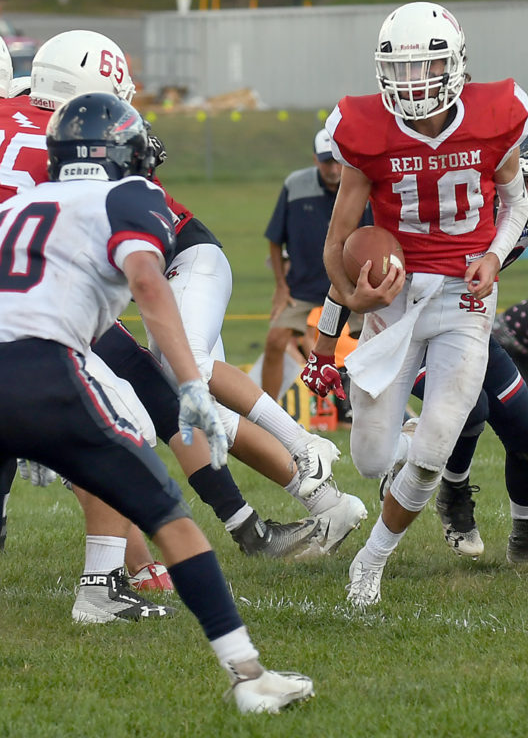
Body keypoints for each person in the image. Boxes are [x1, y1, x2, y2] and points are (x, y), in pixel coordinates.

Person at [0, 91, 313, 713]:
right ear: (125, 152)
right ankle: (248, 676)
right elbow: (147, 280)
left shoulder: (20, 202)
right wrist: (193, 384)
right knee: (170, 516)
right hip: (46, 370)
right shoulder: (129, 195)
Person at [304, 125, 528, 570]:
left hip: (466, 327)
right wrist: (323, 349)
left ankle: (526, 539)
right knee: (462, 415)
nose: (523, 190)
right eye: (517, 179)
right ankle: (448, 490)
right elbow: (353, 267)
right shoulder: (451, 206)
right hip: (405, 333)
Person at [314, 1, 528, 607]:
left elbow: (515, 204)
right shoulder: (364, 128)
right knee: (369, 458)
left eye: (425, 67)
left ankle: (372, 560)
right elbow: (337, 242)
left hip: (464, 294)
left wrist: (493, 255)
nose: (413, 83)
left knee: (437, 446)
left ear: (456, 63)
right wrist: (352, 296)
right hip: (393, 298)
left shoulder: (496, 116)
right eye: (401, 69)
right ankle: (411, 444)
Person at [261, 129, 369, 400]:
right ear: (314, 159)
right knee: (275, 341)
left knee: (375, 343)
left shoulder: (362, 184)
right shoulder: (295, 185)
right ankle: (266, 413)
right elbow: (275, 239)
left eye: (337, 161)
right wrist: (280, 287)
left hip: (350, 286)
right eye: (326, 162)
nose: (333, 169)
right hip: (302, 289)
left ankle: (391, 410)